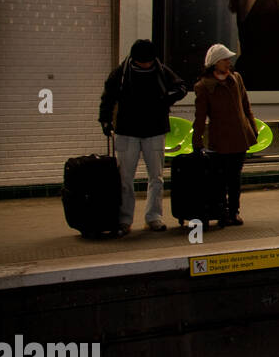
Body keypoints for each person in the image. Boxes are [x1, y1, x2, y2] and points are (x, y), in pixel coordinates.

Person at [99, 39, 188, 234]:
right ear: (134, 59)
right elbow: (108, 97)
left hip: (155, 130)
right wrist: (105, 120)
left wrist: (168, 97)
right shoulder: (122, 73)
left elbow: (181, 87)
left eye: (148, 61)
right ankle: (124, 219)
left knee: (156, 177)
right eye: (143, 62)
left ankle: (153, 217)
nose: (146, 65)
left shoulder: (161, 70)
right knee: (125, 178)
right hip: (127, 130)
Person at [192, 44, 258, 227]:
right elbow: (200, 116)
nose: (229, 62)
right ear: (214, 63)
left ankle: (233, 210)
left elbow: (246, 106)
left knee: (234, 177)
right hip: (219, 138)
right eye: (225, 59)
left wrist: (253, 128)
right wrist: (196, 140)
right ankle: (221, 210)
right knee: (220, 178)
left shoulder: (236, 79)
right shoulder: (204, 86)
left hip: (239, 135)